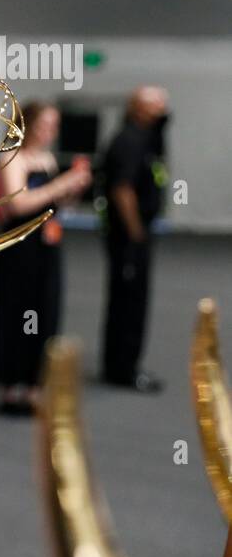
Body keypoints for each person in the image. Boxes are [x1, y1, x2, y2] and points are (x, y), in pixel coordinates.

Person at [0, 102, 91, 414]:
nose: (52, 131)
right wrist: (60, 185)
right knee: (15, 312)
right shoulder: (11, 157)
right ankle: (10, 385)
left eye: (55, 124)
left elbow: (54, 204)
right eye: (46, 124)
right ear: (29, 124)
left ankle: (35, 386)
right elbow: (18, 206)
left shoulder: (47, 159)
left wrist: (73, 188)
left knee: (44, 310)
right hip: (19, 246)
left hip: (47, 244)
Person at [100, 85, 170, 392]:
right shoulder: (128, 141)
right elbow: (122, 190)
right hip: (128, 238)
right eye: (157, 107)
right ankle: (122, 368)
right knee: (129, 301)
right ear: (140, 108)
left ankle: (120, 363)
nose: (163, 113)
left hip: (134, 236)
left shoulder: (147, 140)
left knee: (132, 299)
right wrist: (135, 232)